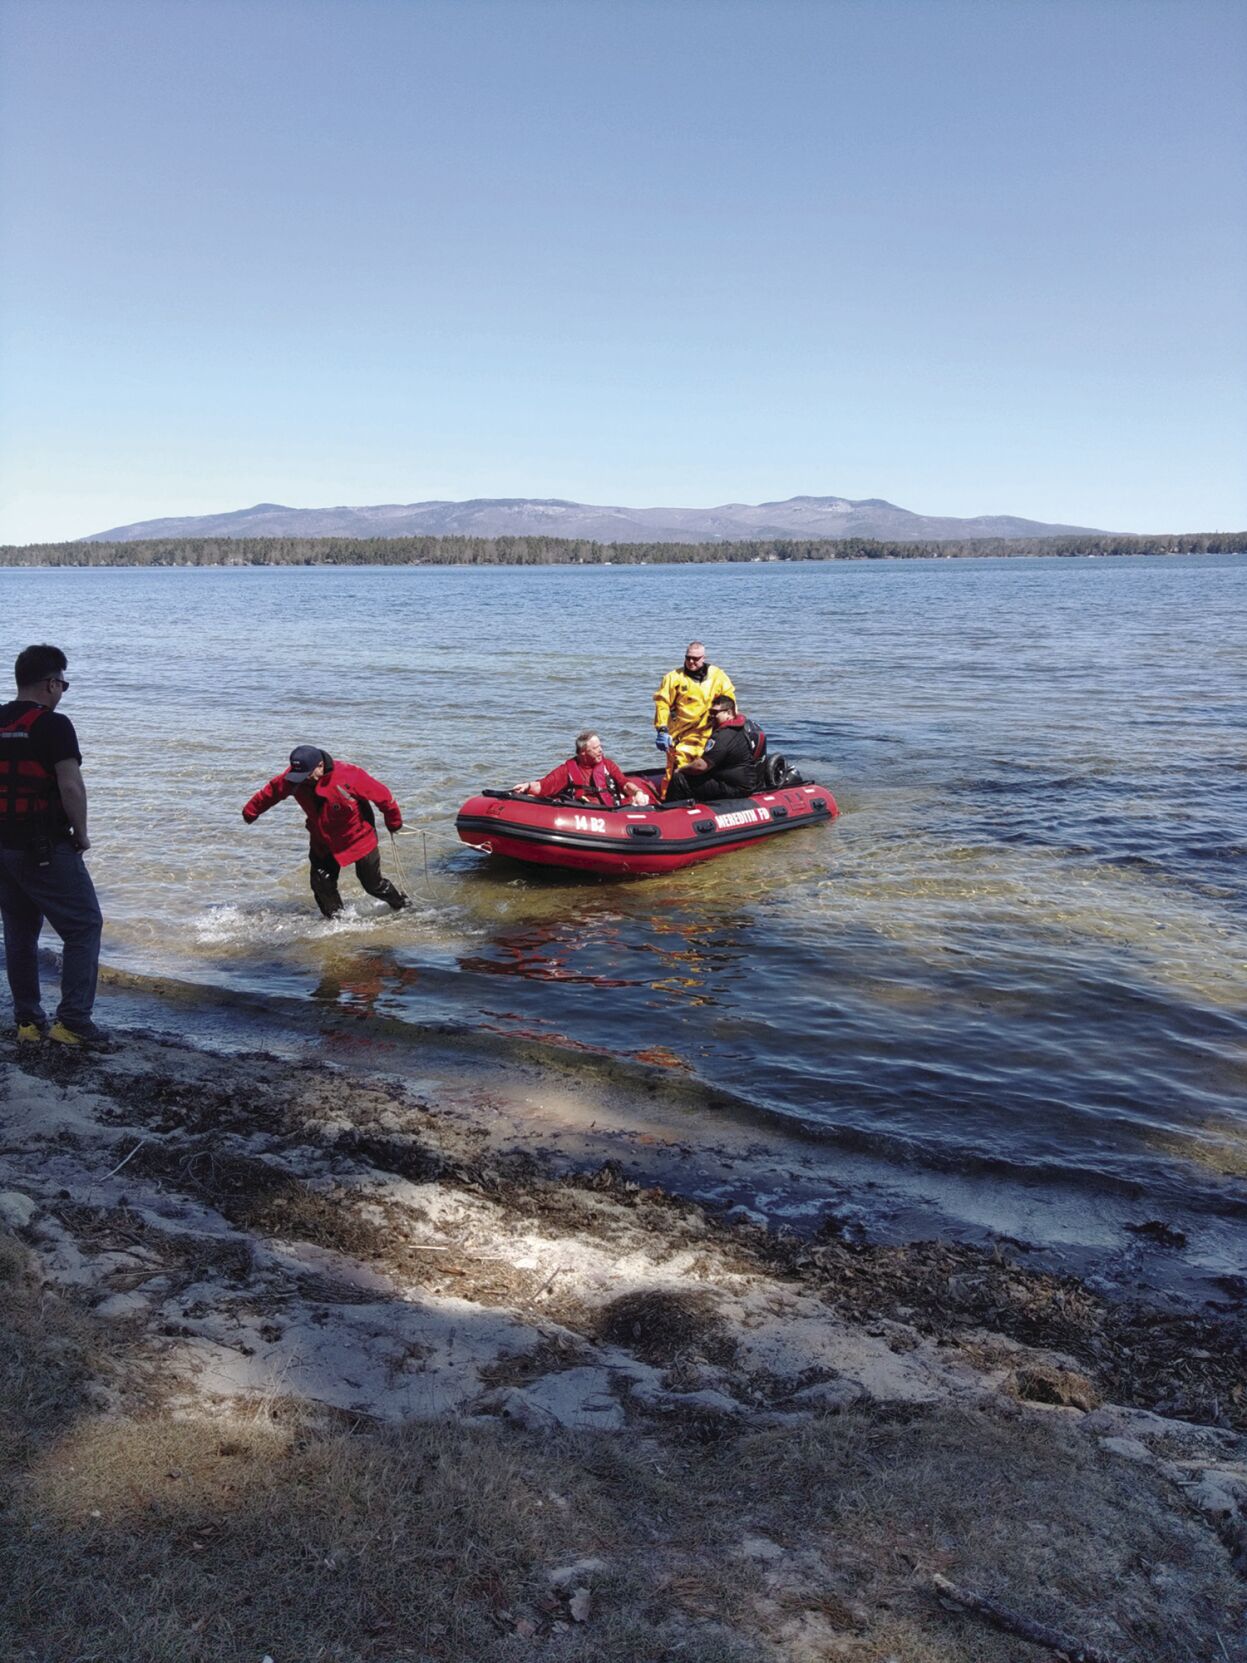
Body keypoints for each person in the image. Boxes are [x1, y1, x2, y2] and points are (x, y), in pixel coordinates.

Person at [0, 643, 106, 1046]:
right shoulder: (53, 724)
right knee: (84, 926)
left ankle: (28, 1022)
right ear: (50, 683)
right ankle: (73, 1023)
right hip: (41, 848)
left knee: (20, 933)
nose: (63, 690)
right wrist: (81, 833)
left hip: (3, 849)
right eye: (64, 682)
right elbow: (70, 786)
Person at [242, 746, 408, 918]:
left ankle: (402, 906)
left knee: (372, 884)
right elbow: (271, 792)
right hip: (322, 839)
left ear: (320, 765)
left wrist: (394, 822)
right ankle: (338, 923)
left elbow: (384, 797)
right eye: (298, 775)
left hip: (358, 837)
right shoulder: (295, 776)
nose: (302, 779)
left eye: (306, 774)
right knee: (321, 884)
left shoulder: (349, 774)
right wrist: (250, 812)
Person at [653, 641, 736, 764]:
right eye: (688, 658)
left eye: (695, 659)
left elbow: (730, 701)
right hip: (681, 735)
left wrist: (732, 726)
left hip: (709, 733)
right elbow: (662, 704)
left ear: (703, 658)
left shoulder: (717, 676)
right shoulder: (673, 678)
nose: (691, 662)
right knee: (679, 770)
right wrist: (662, 729)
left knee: (708, 767)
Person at [667, 696, 762, 802]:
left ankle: (670, 810)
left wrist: (681, 769)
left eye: (715, 712)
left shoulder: (723, 736)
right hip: (741, 783)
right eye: (710, 712)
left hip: (735, 788)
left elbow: (701, 766)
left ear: (728, 713)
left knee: (679, 778)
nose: (712, 716)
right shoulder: (738, 729)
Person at [515, 731, 647, 806]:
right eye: (595, 748)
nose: (600, 750)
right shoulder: (567, 769)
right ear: (583, 752)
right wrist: (527, 786)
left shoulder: (608, 765)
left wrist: (637, 792)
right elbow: (544, 786)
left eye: (600, 746)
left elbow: (624, 783)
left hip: (611, 812)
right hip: (584, 813)